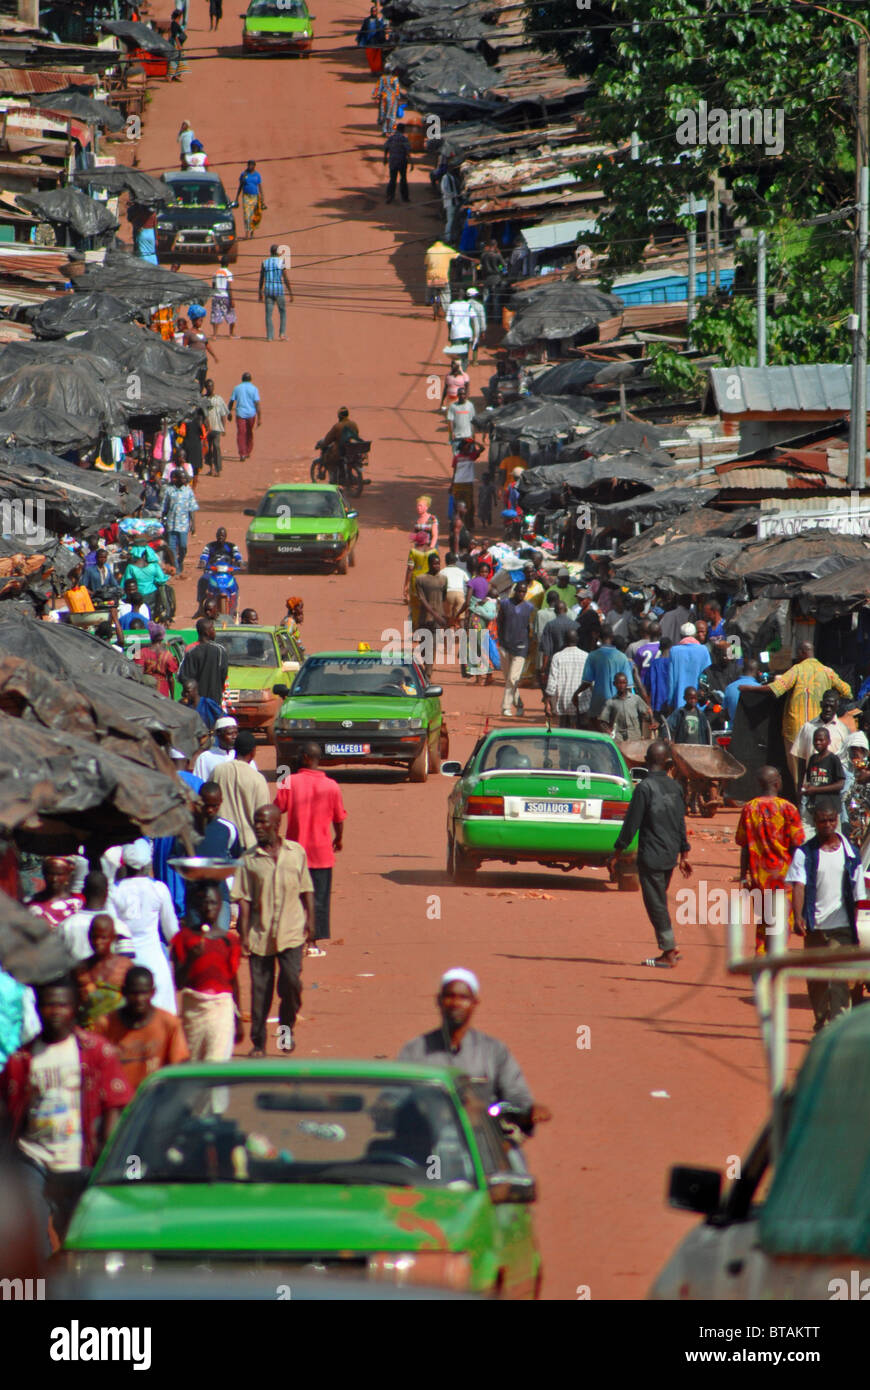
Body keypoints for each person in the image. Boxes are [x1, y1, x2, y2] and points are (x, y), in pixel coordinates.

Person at [0, 979, 132, 1253]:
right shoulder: (21, 1060)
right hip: (32, 1159)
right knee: (32, 1239)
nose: (55, 1012)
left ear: (75, 1008)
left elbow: (114, 1107)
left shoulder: (96, 1052)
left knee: (80, 1239)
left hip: (79, 1163)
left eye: (62, 1005)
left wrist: (108, 1157)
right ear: (37, 1008)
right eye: (49, 1005)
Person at [398, 969, 551, 1128]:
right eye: (450, 996)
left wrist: (528, 1111)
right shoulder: (415, 1050)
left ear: (474, 1003)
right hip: (427, 1138)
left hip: (481, 1143)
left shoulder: (493, 1051)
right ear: (439, 1001)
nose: (456, 1003)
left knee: (512, 1151)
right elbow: (395, 1096)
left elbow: (517, 1096)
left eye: (463, 998)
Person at [232, 804, 314, 1057]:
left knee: (291, 984)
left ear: (277, 825)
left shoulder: (296, 852)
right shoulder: (248, 859)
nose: (258, 827)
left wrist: (312, 922)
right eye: (256, 822)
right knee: (260, 992)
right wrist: (244, 934)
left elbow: (306, 888)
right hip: (261, 933)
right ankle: (258, 1043)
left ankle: (286, 1030)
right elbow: (243, 899)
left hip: (291, 931)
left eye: (263, 822)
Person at [608, 740, 692, 968]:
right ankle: (669, 946)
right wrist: (684, 853)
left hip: (652, 855)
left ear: (646, 761)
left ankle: (668, 950)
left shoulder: (644, 788)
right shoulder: (675, 787)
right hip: (670, 855)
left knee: (655, 903)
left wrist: (617, 852)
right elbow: (680, 822)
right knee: (659, 900)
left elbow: (631, 824)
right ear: (667, 763)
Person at [786, 796, 864, 1031]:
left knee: (839, 978)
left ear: (837, 820)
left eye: (831, 820)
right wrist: (798, 916)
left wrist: (857, 925)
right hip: (815, 926)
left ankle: (837, 1028)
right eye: (822, 821)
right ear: (815, 822)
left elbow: (858, 891)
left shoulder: (850, 852)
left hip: (841, 926)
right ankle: (821, 1023)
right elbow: (798, 885)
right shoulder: (804, 853)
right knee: (817, 980)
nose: (827, 825)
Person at [274, 743, 346, 956]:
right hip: (321, 853)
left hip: (294, 852)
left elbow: (277, 809)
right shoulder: (331, 785)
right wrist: (339, 839)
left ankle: (290, 939)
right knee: (319, 899)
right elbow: (339, 818)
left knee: (293, 897)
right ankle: (312, 943)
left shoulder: (288, 781)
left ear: (305, 757)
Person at [761, 641, 852, 789]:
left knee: (799, 777)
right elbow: (847, 691)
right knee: (821, 774)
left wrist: (747, 687)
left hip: (796, 730)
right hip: (821, 730)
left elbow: (775, 689)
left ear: (801, 653)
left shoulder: (796, 670)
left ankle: (801, 806)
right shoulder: (827, 671)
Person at [736, 766, 805, 956]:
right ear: (777, 782)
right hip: (784, 876)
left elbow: (744, 845)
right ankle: (775, 959)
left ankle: (761, 958)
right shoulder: (788, 808)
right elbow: (797, 844)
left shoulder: (749, 808)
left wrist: (743, 876)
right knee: (782, 922)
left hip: (759, 877)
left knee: (763, 921)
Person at [171, 883, 241, 1061]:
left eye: (213, 903)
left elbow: (233, 980)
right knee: (194, 1064)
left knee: (216, 1065)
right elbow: (178, 982)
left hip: (221, 1008)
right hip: (193, 1008)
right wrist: (191, 960)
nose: (209, 907)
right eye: (204, 903)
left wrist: (237, 1017)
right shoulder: (183, 939)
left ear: (220, 905)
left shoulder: (229, 941)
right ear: (196, 906)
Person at [111, 841, 180, 1015]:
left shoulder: (114, 890)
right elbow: (172, 932)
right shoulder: (158, 888)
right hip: (154, 959)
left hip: (124, 960)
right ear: (148, 862)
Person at [96, 966, 188, 1090]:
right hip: (117, 1096)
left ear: (153, 992)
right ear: (124, 992)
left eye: (144, 993)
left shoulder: (169, 1024)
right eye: (134, 993)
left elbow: (178, 1068)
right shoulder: (106, 1024)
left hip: (155, 1097)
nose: (139, 999)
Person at [211, 731, 271, 851]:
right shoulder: (257, 779)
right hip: (247, 843)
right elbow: (264, 814)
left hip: (221, 839)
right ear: (253, 751)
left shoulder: (218, 771)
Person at [74, 916, 133, 1030]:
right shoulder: (80, 969)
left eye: (103, 937)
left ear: (113, 938)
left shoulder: (125, 967)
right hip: (87, 1034)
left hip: (117, 1031)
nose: (98, 942)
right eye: (94, 937)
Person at [578, 627, 637, 720]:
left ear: (599, 638)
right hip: (618, 700)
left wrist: (576, 693)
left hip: (599, 700)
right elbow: (628, 685)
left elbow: (587, 681)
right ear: (612, 637)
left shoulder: (593, 655)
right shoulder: (622, 657)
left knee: (596, 727)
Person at [799, 725, 846, 837]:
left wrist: (817, 789)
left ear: (828, 741)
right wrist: (807, 789)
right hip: (813, 805)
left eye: (821, 740)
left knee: (833, 835)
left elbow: (840, 784)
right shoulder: (813, 759)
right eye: (815, 740)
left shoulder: (833, 759)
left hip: (830, 806)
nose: (818, 742)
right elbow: (812, 780)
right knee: (807, 835)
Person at [497, 580, 534, 717]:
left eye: (524, 592)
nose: (521, 594)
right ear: (515, 591)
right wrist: (501, 641)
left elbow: (530, 628)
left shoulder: (529, 607)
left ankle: (505, 707)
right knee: (510, 680)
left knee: (513, 679)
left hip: (521, 648)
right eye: (519, 591)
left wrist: (529, 646)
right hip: (505, 647)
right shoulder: (505, 604)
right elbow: (499, 622)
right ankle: (519, 705)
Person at [791, 688, 851, 771]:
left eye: (831, 706)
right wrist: (800, 783)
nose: (828, 709)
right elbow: (801, 759)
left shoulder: (844, 730)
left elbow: (846, 762)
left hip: (834, 781)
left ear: (837, 706)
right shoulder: (808, 727)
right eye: (826, 705)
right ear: (821, 704)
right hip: (811, 780)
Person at [544, 628, 588, 729]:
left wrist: (547, 703)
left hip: (563, 703)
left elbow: (552, 683)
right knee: (582, 735)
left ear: (564, 640)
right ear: (577, 639)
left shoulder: (557, 657)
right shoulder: (586, 656)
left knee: (564, 735)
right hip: (582, 703)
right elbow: (591, 682)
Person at [27, 857, 83, 930]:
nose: (54, 879)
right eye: (50, 874)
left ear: (68, 876)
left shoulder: (76, 906)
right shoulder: (30, 903)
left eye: (59, 874)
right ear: (44, 874)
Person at [415, 552, 447, 678]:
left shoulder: (443, 579)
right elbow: (422, 600)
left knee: (432, 646)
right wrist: (435, 614)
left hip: (437, 621)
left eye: (438, 563)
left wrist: (441, 615)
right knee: (423, 647)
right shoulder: (420, 579)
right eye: (434, 563)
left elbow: (443, 597)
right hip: (424, 618)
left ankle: (428, 674)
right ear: (429, 564)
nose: (437, 566)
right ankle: (426, 668)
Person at [668, 623, 714, 710]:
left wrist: (670, 701)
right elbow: (708, 675)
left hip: (680, 701)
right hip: (700, 701)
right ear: (695, 635)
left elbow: (671, 679)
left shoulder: (674, 651)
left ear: (681, 636)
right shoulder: (703, 650)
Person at [161, 467, 198, 576]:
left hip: (183, 524)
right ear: (176, 479)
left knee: (183, 546)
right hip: (171, 523)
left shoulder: (188, 491)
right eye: (182, 478)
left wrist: (193, 524)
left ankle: (180, 560)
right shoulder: (169, 490)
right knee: (171, 547)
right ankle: (176, 567)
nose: (184, 480)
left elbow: (192, 509)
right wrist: (162, 519)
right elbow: (164, 507)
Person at [197, 526, 242, 608]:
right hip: (212, 572)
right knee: (202, 580)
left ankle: (234, 606)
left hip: (227, 572)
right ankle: (200, 605)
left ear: (226, 536)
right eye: (219, 535)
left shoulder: (231, 546)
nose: (220, 537)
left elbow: (237, 555)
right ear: (216, 536)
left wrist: (239, 562)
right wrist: (202, 562)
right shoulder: (210, 546)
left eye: (222, 535)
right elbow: (204, 556)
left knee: (235, 585)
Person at [601, 671, 652, 741]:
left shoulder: (635, 699)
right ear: (614, 684)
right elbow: (602, 721)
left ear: (627, 683)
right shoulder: (611, 702)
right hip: (618, 737)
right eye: (619, 683)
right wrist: (608, 731)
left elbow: (647, 714)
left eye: (624, 683)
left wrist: (651, 719)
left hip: (634, 736)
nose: (622, 685)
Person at [132, 623, 178, 697]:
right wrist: (173, 697)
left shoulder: (141, 653)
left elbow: (137, 673)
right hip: (163, 692)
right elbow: (170, 679)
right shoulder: (168, 656)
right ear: (162, 638)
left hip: (146, 690)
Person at [259, 244, 294, 342]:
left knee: (268, 314)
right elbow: (285, 278)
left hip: (268, 291)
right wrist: (291, 293)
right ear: (277, 252)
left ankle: (270, 336)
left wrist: (259, 292)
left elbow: (261, 279)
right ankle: (282, 334)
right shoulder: (281, 262)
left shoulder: (264, 263)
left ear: (270, 252)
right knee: (282, 312)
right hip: (279, 291)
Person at [228, 372, 261, 462]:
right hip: (251, 414)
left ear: (242, 379)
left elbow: (231, 401)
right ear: (250, 379)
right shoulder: (254, 389)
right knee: (249, 433)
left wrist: (229, 412)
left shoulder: (237, 388)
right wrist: (259, 418)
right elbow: (257, 403)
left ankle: (242, 453)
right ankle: (247, 451)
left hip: (240, 414)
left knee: (241, 433)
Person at [193, 715, 238, 782]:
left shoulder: (242, 755)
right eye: (230, 733)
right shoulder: (205, 757)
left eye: (236, 733)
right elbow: (199, 783)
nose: (234, 737)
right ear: (219, 734)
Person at [450, 436, 483, 526]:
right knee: (459, 505)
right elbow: (455, 472)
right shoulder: (458, 457)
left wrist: (473, 442)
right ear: (462, 447)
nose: (469, 448)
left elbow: (482, 448)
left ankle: (468, 523)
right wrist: (451, 485)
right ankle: (458, 522)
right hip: (458, 484)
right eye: (467, 446)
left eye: (470, 447)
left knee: (469, 505)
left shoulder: (471, 456)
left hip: (467, 484)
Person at [425, 240, 460, 319]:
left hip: (431, 277)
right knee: (446, 294)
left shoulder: (429, 250)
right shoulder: (447, 249)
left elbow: (426, 263)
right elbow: (457, 255)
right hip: (443, 278)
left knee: (429, 289)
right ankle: (446, 310)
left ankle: (428, 301)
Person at [201, 379, 229, 476]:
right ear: (205, 388)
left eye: (212, 386)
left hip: (217, 427)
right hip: (206, 429)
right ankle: (210, 467)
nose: (210, 388)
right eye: (208, 386)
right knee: (208, 449)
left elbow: (223, 414)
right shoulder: (203, 400)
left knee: (216, 447)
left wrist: (223, 428)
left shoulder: (219, 399)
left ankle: (217, 469)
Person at [723, 657, 764, 723]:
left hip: (734, 731)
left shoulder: (729, 688)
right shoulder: (760, 688)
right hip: (754, 731)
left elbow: (726, 715)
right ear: (758, 672)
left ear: (742, 670)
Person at [236, 159, 264, 238]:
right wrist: (237, 197)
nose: (250, 166)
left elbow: (260, 186)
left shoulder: (257, 175)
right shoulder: (244, 174)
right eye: (249, 165)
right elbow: (240, 186)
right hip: (246, 197)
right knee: (247, 215)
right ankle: (247, 234)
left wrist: (262, 197)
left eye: (251, 165)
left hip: (255, 196)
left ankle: (252, 232)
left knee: (254, 215)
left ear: (254, 166)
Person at [384, 123, 411, 203]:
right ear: (403, 130)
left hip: (393, 161)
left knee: (392, 179)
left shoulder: (391, 138)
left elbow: (386, 147)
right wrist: (412, 163)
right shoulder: (404, 138)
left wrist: (385, 158)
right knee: (403, 179)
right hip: (402, 162)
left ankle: (390, 196)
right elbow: (408, 151)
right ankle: (405, 197)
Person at [440, 550, 468, 628]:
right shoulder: (461, 571)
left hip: (448, 594)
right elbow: (468, 583)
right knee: (461, 619)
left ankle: (446, 638)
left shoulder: (442, 572)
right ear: (456, 561)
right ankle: (463, 638)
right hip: (460, 594)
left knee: (447, 618)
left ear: (445, 561)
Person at [356, 3, 386, 71]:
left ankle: (377, 70)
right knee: (370, 56)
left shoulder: (379, 21)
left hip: (377, 42)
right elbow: (363, 30)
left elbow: (382, 31)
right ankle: (373, 70)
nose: (374, 12)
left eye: (375, 11)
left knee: (377, 57)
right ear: (371, 12)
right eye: (373, 11)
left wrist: (383, 40)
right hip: (369, 42)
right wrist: (359, 40)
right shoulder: (367, 21)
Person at [446, 294, 474, 362]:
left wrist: (449, 333)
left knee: (456, 355)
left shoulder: (451, 305)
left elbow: (449, 321)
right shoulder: (469, 305)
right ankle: (463, 370)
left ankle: (457, 370)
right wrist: (473, 332)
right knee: (465, 355)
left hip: (456, 333)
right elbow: (472, 320)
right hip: (467, 333)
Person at [209, 268, 235, 339]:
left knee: (216, 315)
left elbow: (213, 286)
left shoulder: (215, 273)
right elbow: (228, 287)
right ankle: (231, 334)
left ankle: (215, 335)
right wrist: (231, 299)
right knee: (230, 314)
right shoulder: (228, 273)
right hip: (225, 296)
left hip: (216, 296)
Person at [466, 286, 486, 365]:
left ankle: (465, 360)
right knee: (475, 343)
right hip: (476, 328)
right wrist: (483, 329)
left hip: (466, 327)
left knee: (466, 344)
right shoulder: (479, 306)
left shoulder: (465, 305)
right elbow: (482, 319)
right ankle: (474, 361)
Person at [169, 7, 186, 81]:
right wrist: (179, 45)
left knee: (178, 59)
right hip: (175, 44)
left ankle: (175, 75)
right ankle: (170, 76)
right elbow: (175, 36)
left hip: (175, 43)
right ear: (178, 17)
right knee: (175, 59)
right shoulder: (175, 24)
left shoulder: (174, 24)